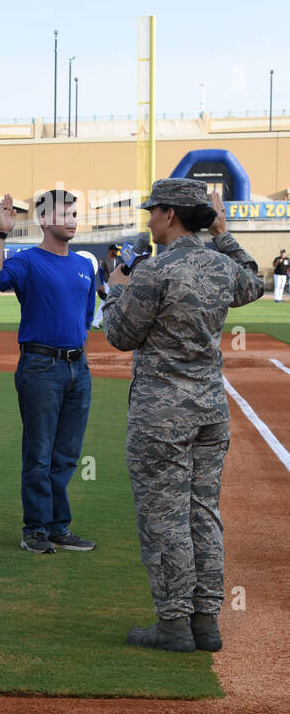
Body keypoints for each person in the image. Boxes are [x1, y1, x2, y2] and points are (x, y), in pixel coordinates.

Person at [103, 179, 263, 652]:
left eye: (153, 211)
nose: (149, 219)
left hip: (162, 412)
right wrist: (223, 232)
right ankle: (206, 621)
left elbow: (120, 335)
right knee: (203, 512)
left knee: (163, 516)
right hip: (211, 408)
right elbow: (252, 279)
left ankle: (173, 623)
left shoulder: (154, 271)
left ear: (170, 214)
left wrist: (114, 290)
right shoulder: (220, 266)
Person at [0, 190, 98, 554]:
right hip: (41, 366)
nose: (73, 219)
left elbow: (84, 319)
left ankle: (58, 527)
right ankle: (35, 529)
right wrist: (0, 235)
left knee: (66, 454)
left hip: (77, 367)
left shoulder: (83, 264)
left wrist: (81, 362)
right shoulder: (28, 261)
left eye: (75, 212)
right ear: (45, 220)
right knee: (39, 452)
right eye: (65, 213)